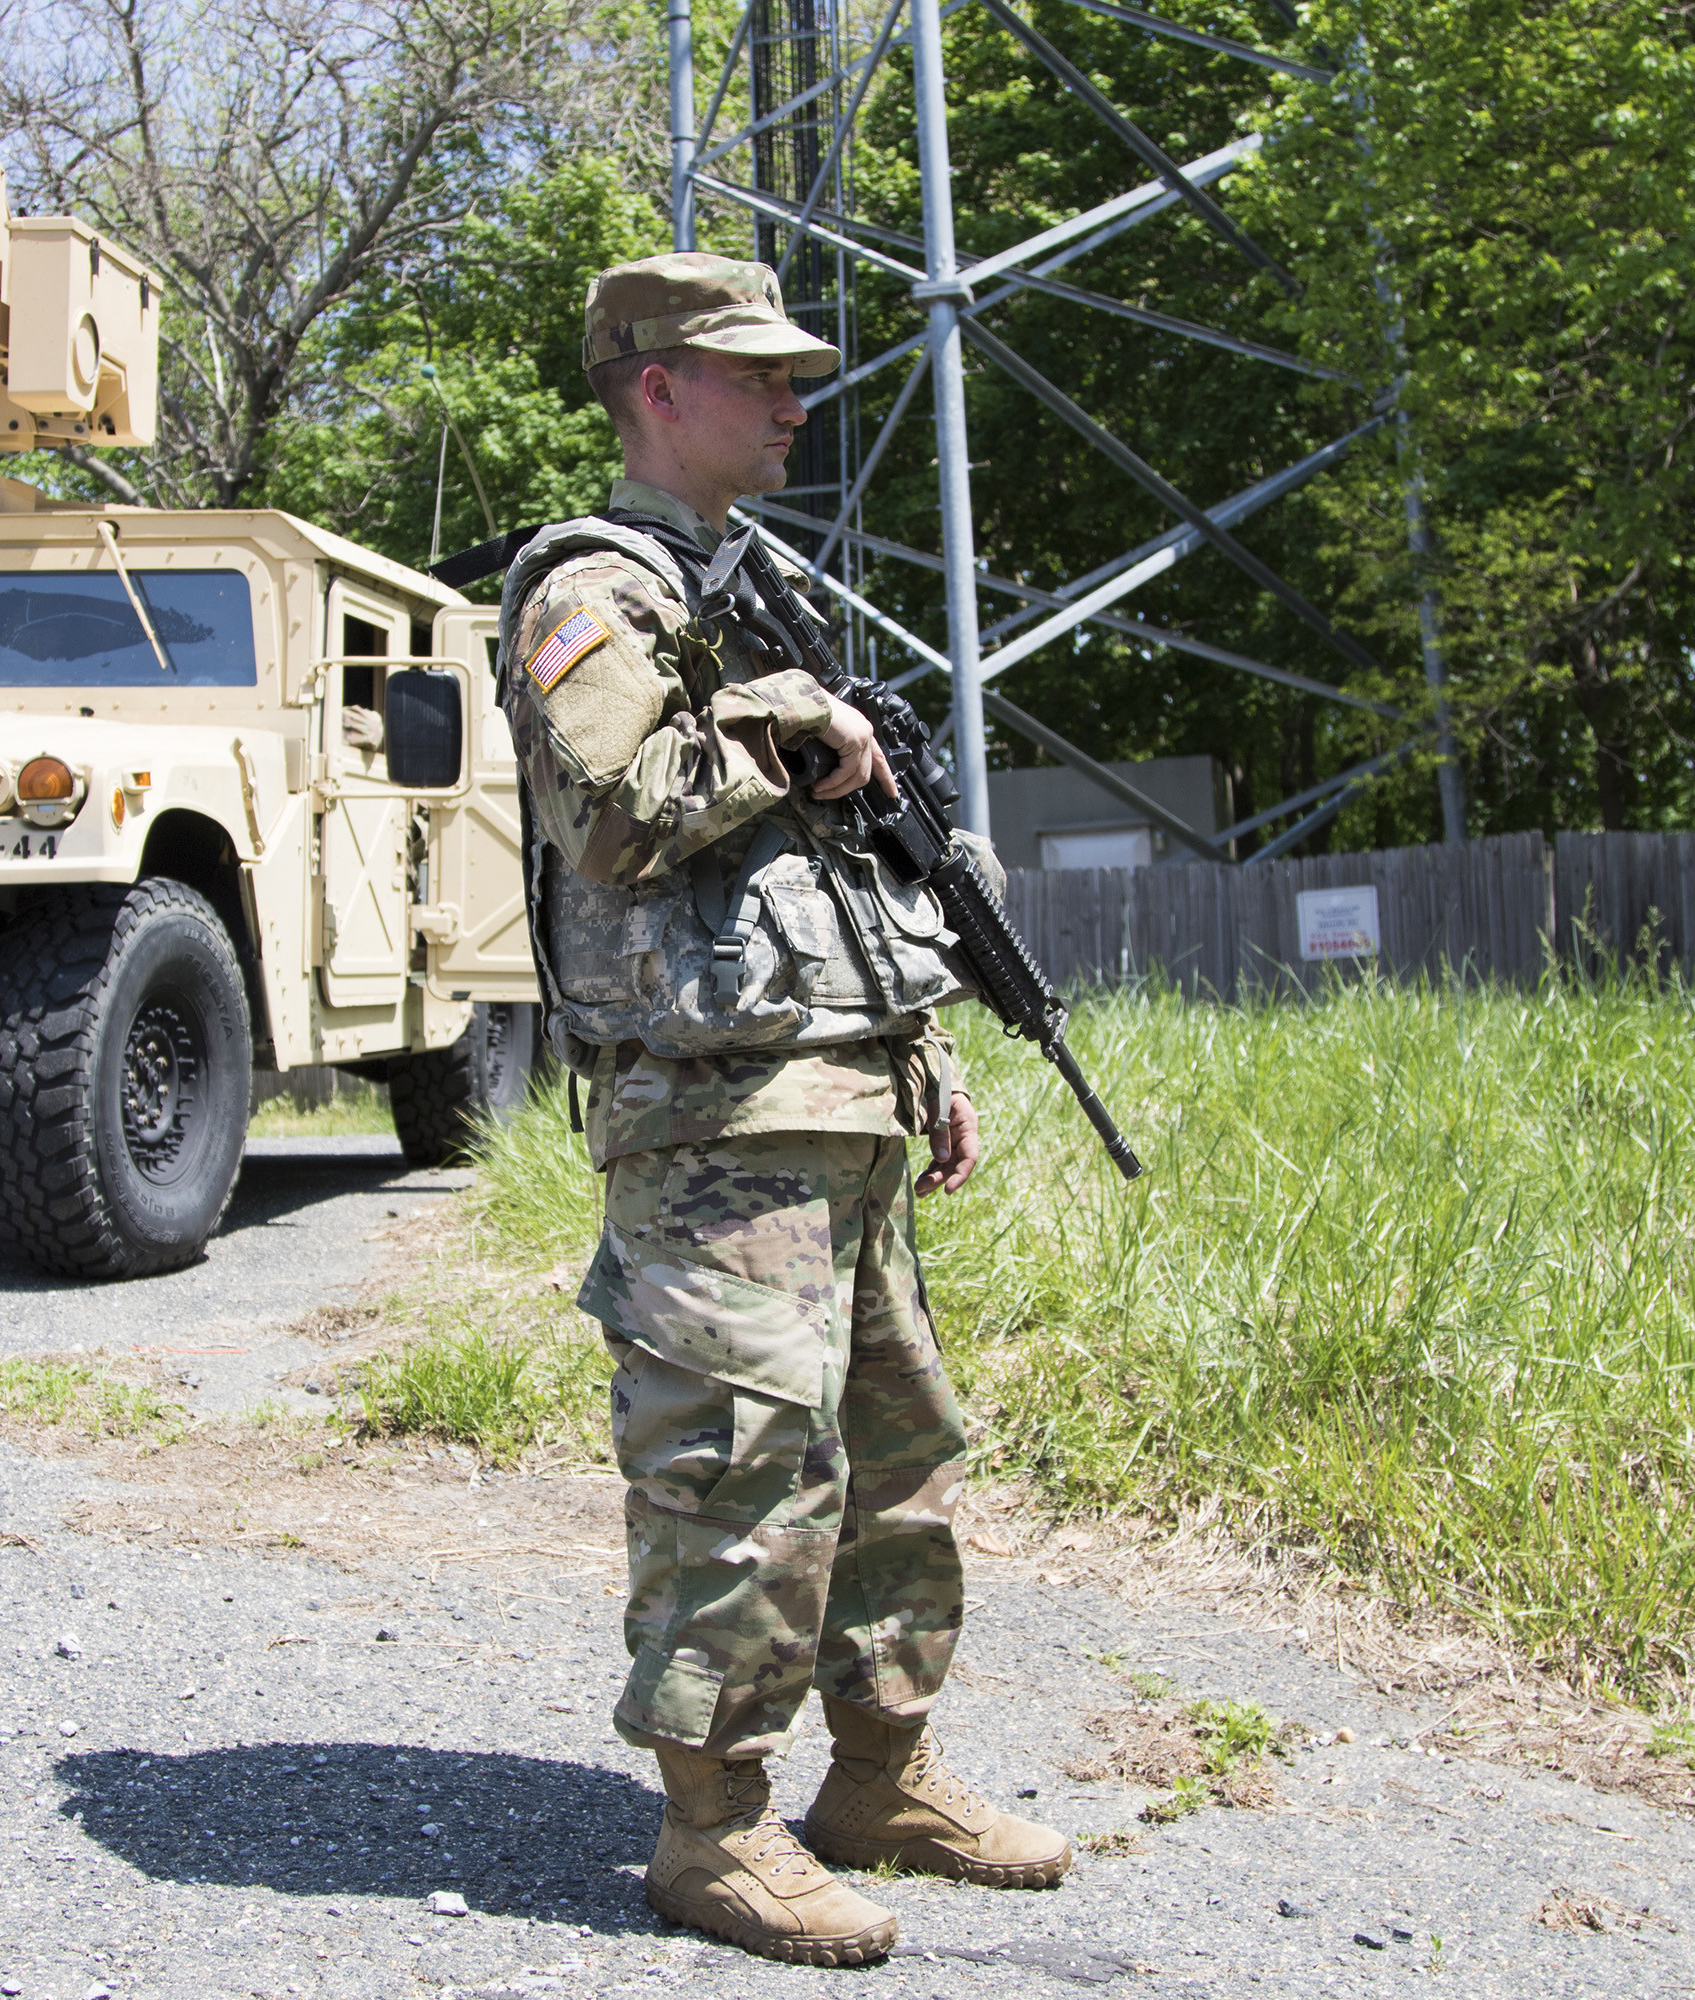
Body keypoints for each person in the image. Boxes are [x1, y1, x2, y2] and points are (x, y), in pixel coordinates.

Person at [491, 253, 1069, 1969]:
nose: (798, 401)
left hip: (841, 1087)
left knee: (894, 1462)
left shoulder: (762, 586)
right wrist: (770, 718)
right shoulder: (589, 587)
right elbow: (615, 810)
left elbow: (843, 868)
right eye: (762, 374)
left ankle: (881, 1774)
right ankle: (713, 1835)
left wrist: (928, 1054)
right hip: (715, 1114)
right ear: (659, 387)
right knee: (740, 1471)